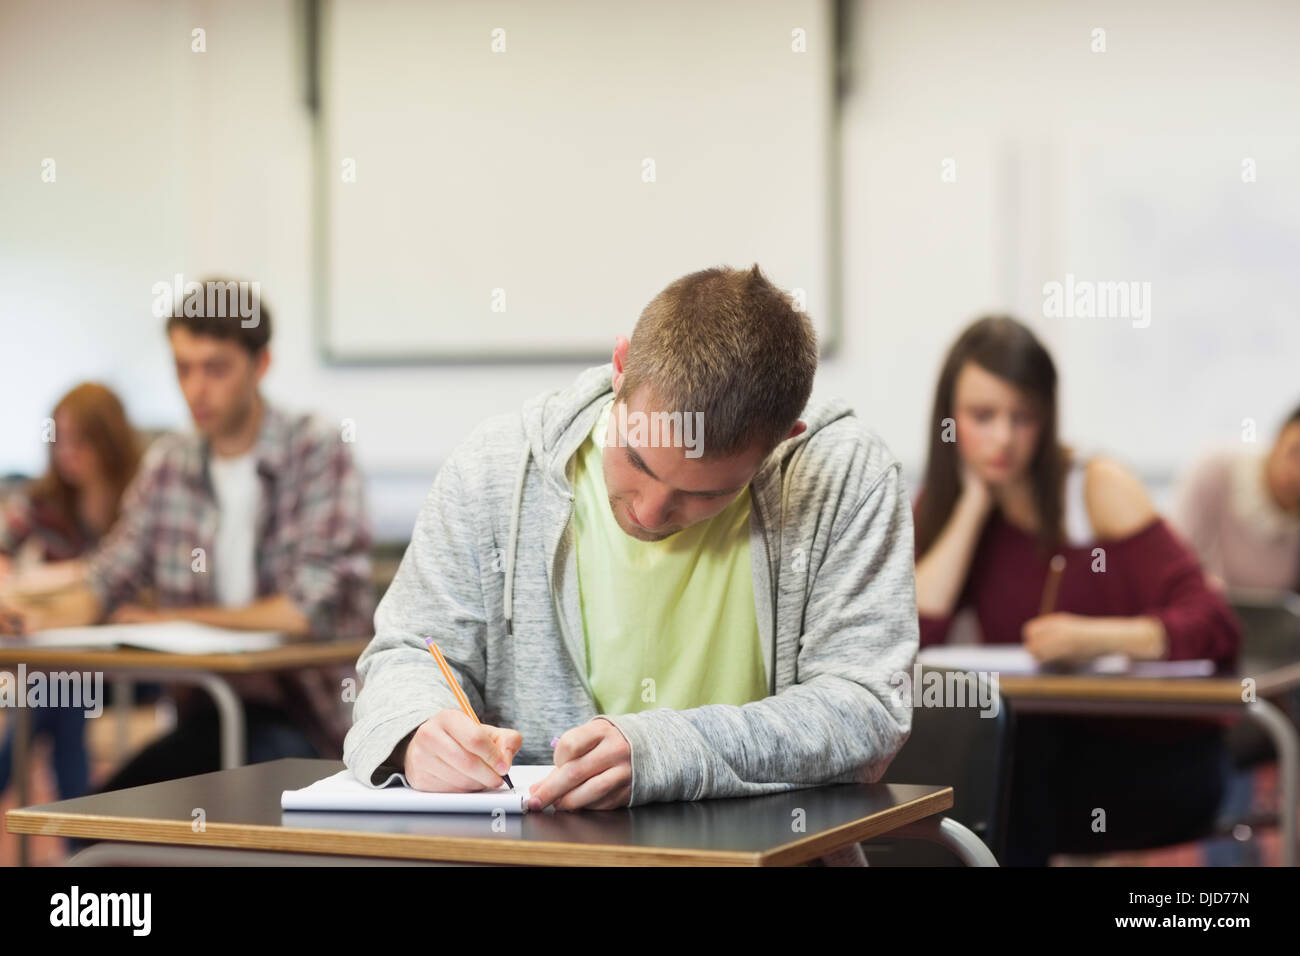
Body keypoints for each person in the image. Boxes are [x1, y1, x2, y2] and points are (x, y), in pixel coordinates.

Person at [343, 265, 918, 866]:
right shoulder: (493, 470)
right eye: (637, 462)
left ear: (782, 440)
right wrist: (414, 733)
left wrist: (664, 750)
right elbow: (410, 650)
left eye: (705, 494)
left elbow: (865, 709)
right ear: (621, 368)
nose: (650, 512)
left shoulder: (841, 479)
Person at [5, 278, 374, 790]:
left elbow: (304, 611)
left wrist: (169, 617)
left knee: (253, 790)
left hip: (310, 722)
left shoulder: (315, 449)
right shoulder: (169, 464)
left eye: (216, 369)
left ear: (260, 365)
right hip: (209, 714)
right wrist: (28, 617)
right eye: (183, 368)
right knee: (98, 819)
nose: (196, 389)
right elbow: (105, 581)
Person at [913, 315, 1241, 866]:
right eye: (981, 416)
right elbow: (910, 638)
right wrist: (972, 506)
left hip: (1159, 760)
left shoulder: (1094, 488)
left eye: (1023, 418)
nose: (1001, 438)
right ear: (949, 420)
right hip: (1043, 758)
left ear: (1046, 420)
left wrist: (1098, 638)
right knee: (964, 763)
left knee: (1003, 771)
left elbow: (1216, 626)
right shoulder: (949, 505)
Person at [0, 383, 141, 801]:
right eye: (59, 441)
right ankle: (78, 842)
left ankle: (76, 839)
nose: (67, 453)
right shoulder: (43, 504)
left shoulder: (140, 500)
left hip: (132, 659)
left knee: (58, 691)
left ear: (108, 441)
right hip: (66, 657)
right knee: (63, 691)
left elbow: (133, 584)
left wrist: (61, 580)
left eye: (81, 442)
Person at [1174, 402, 1300, 593]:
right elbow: (1177, 559)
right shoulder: (1215, 470)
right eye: (1295, 452)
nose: (1296, 472)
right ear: (1279, 438)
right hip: (1201, 610)